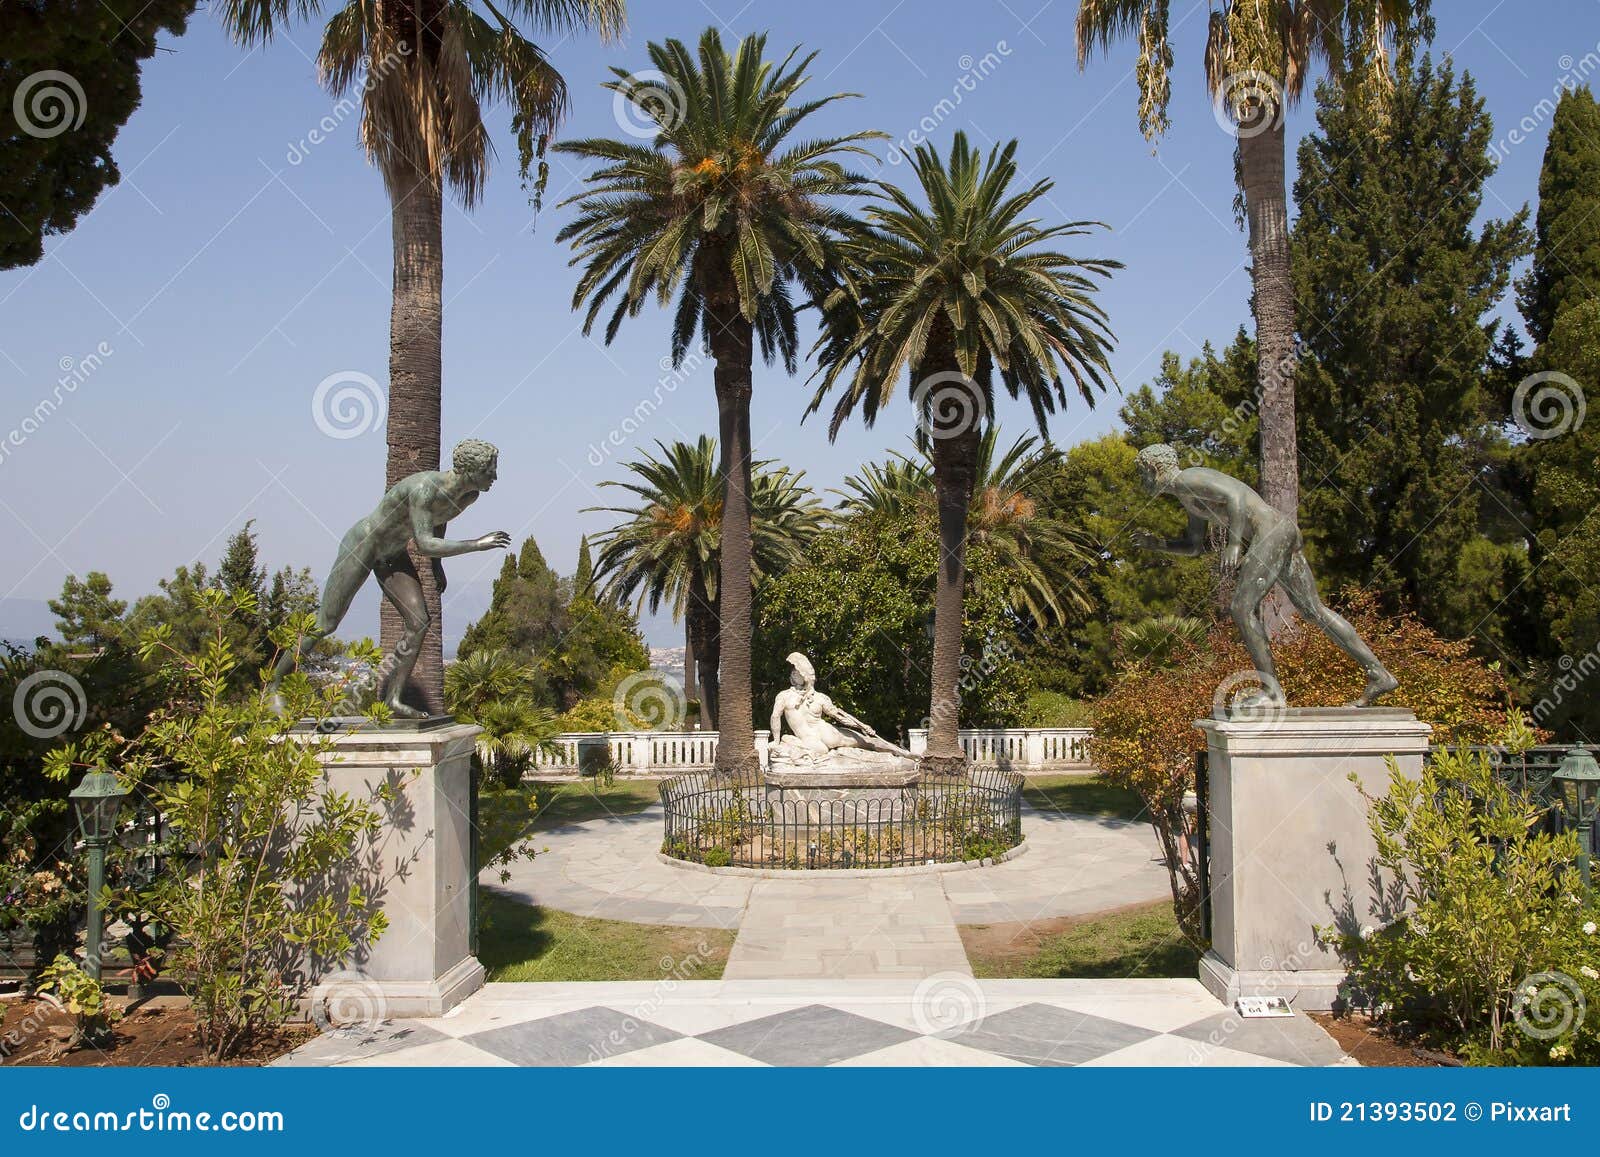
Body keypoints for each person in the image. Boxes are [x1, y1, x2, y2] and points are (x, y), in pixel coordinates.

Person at [1132, 443, 1398, 707]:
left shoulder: (1187, 479)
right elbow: (1193, 545)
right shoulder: (1187, 496)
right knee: (1313, 610)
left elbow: (1234, 495)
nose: (1142, 481)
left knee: (1241, 608)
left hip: (1270, 532)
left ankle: (1271, 692)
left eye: (1141, 474)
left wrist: (1234, 544)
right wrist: (1158, 544)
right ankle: (1379, 674)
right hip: (1281, 531)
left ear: (1153, 468)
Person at [270, 438, 510, 717]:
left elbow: (438, 522)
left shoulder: (468, 496)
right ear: (470, 469)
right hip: (365, 544)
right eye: (489, 469)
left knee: (419, 622)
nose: (494, 476)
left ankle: (392, 701)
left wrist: (436, 567)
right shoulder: (425, 489)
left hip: (393, 555)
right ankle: (273, 684)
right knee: (327, 623)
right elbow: (424, 544)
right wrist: (477, 544)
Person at [769, 652, 913, 760]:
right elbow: (775, 716)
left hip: (826, 732)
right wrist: (776, 740)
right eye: (793, 672)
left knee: (866, 741)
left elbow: (838, 715)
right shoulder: (784, 696)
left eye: (798, 672)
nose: (794, 674)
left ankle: (901, 753)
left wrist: (862, 727)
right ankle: (901, 752)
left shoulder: (817, 697)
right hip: (811, 739)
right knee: (835, 747)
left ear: (806, 677)